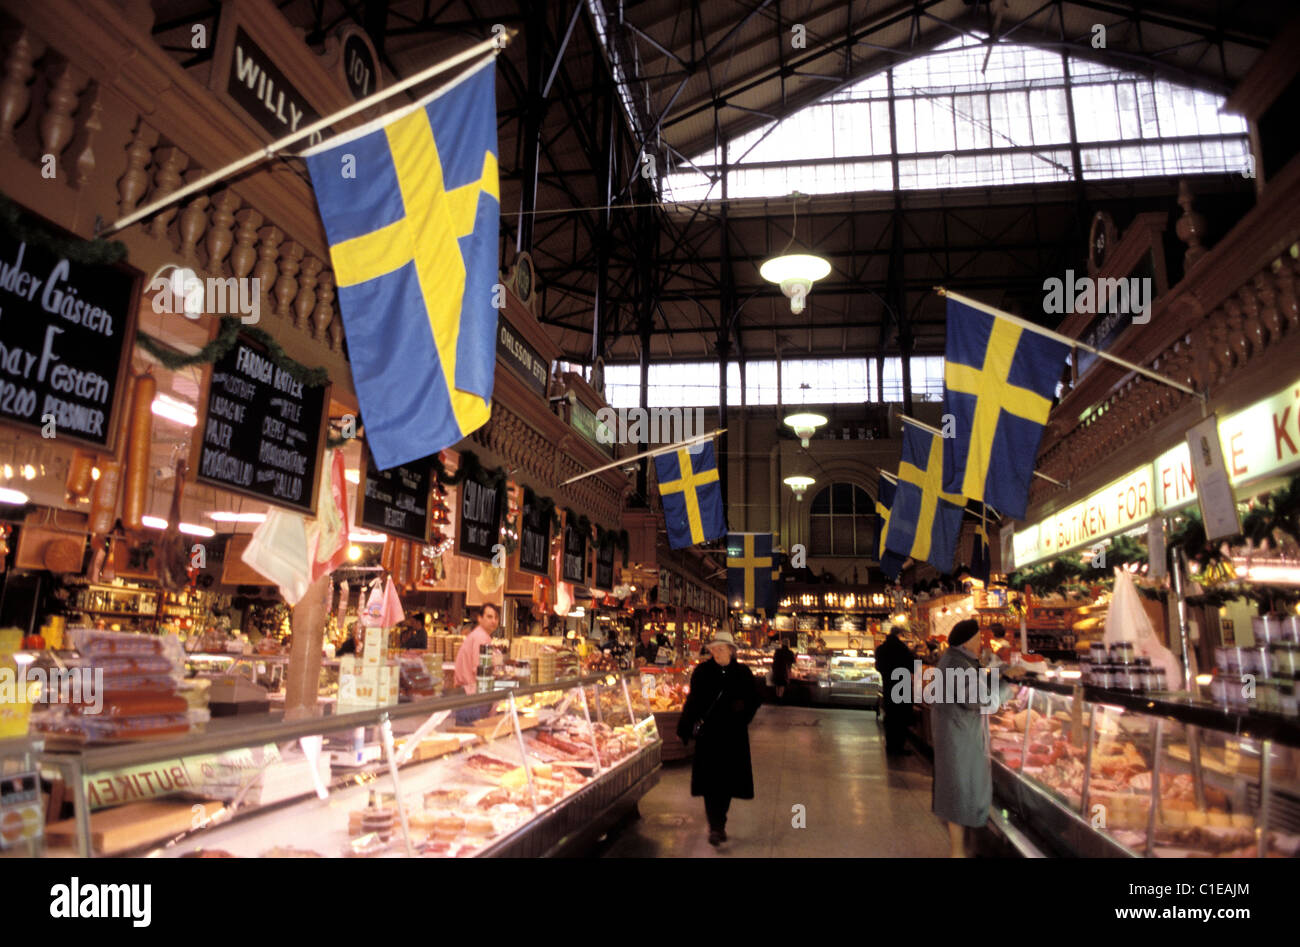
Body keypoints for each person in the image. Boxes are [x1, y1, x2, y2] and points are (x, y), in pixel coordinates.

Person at [676, 631, 761, 847]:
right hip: (709, 736)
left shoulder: (743, 673)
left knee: (728, 783)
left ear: (731, 651)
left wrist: (743, 714)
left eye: (720, 648)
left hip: (733, 736)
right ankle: (715, 826)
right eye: (713, 649)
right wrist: (685, 728)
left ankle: (720, 819)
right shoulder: (702, 672)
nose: (716, 652)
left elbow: (754, 700)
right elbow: (693, 701)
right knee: (710, 783)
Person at [932, 619, 994, 857]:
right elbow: (975, 698)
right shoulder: (957, 664)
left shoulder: (957, 660)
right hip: (958, 737)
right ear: (968, 641)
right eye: (978, 639)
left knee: (957, 794)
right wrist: (1004, 684)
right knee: (959, 794)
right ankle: (958, 853)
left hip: (956, 735)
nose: (981, 644)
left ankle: (960, 852)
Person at [873, 625, 915, 756]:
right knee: (901, 717)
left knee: (890, 716)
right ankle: (899, 747)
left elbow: (878, 667)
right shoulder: (903, 648)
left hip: (888, 685)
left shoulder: (881, 649)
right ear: (900, 635)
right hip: (902, 685)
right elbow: (913, 667)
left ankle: (890, 745)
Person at [453, 604, 499, 725]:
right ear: (480, 618)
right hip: (472, 697)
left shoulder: (479, 635)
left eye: (496, 618)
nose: (493, 621)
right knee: (473, 737)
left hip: (468, 695)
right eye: (489, 617)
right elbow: (479, 669)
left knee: (467, 738)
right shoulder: (481, 637)